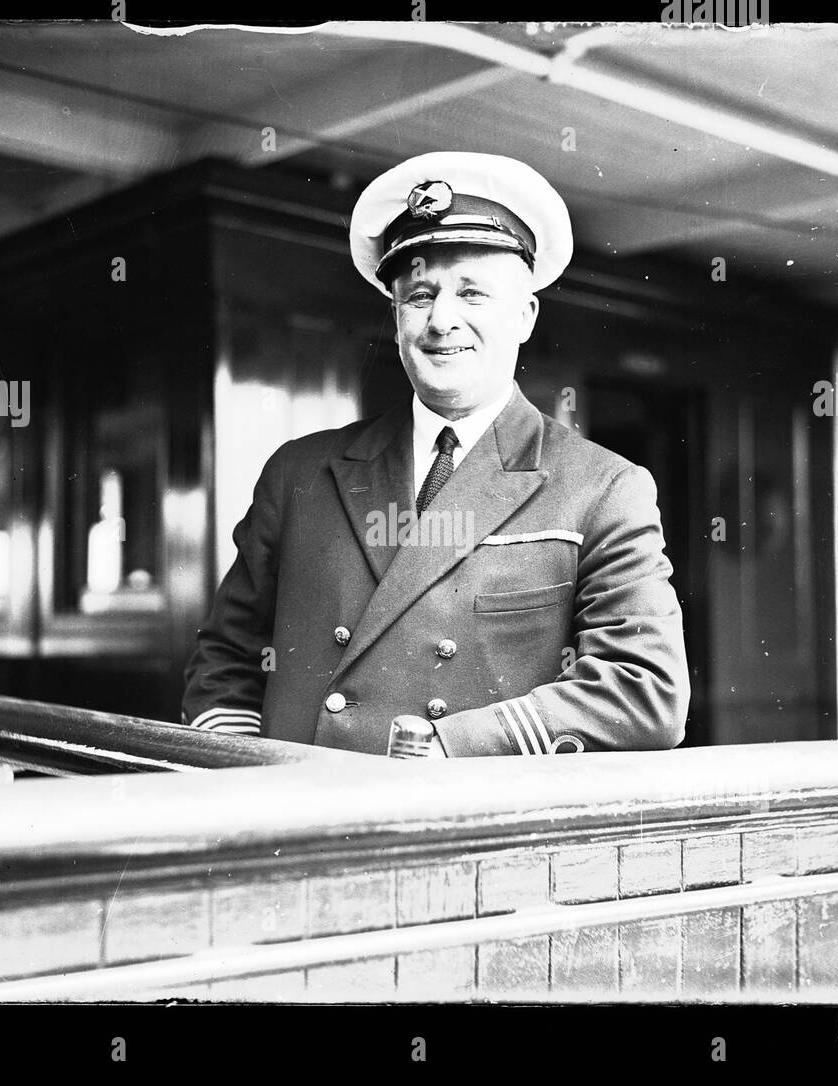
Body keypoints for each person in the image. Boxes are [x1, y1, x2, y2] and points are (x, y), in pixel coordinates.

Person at [183, 151, 689, 757]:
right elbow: (224, 662)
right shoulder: (299, 472)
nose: (442, 320)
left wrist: (451, 747)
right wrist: (246, 778)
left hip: (465, 833)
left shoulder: (602, 487)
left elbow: (647, 693)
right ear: (395, 318)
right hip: (303, 826)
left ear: (525, 316)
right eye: (420, 295)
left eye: (473, 293)